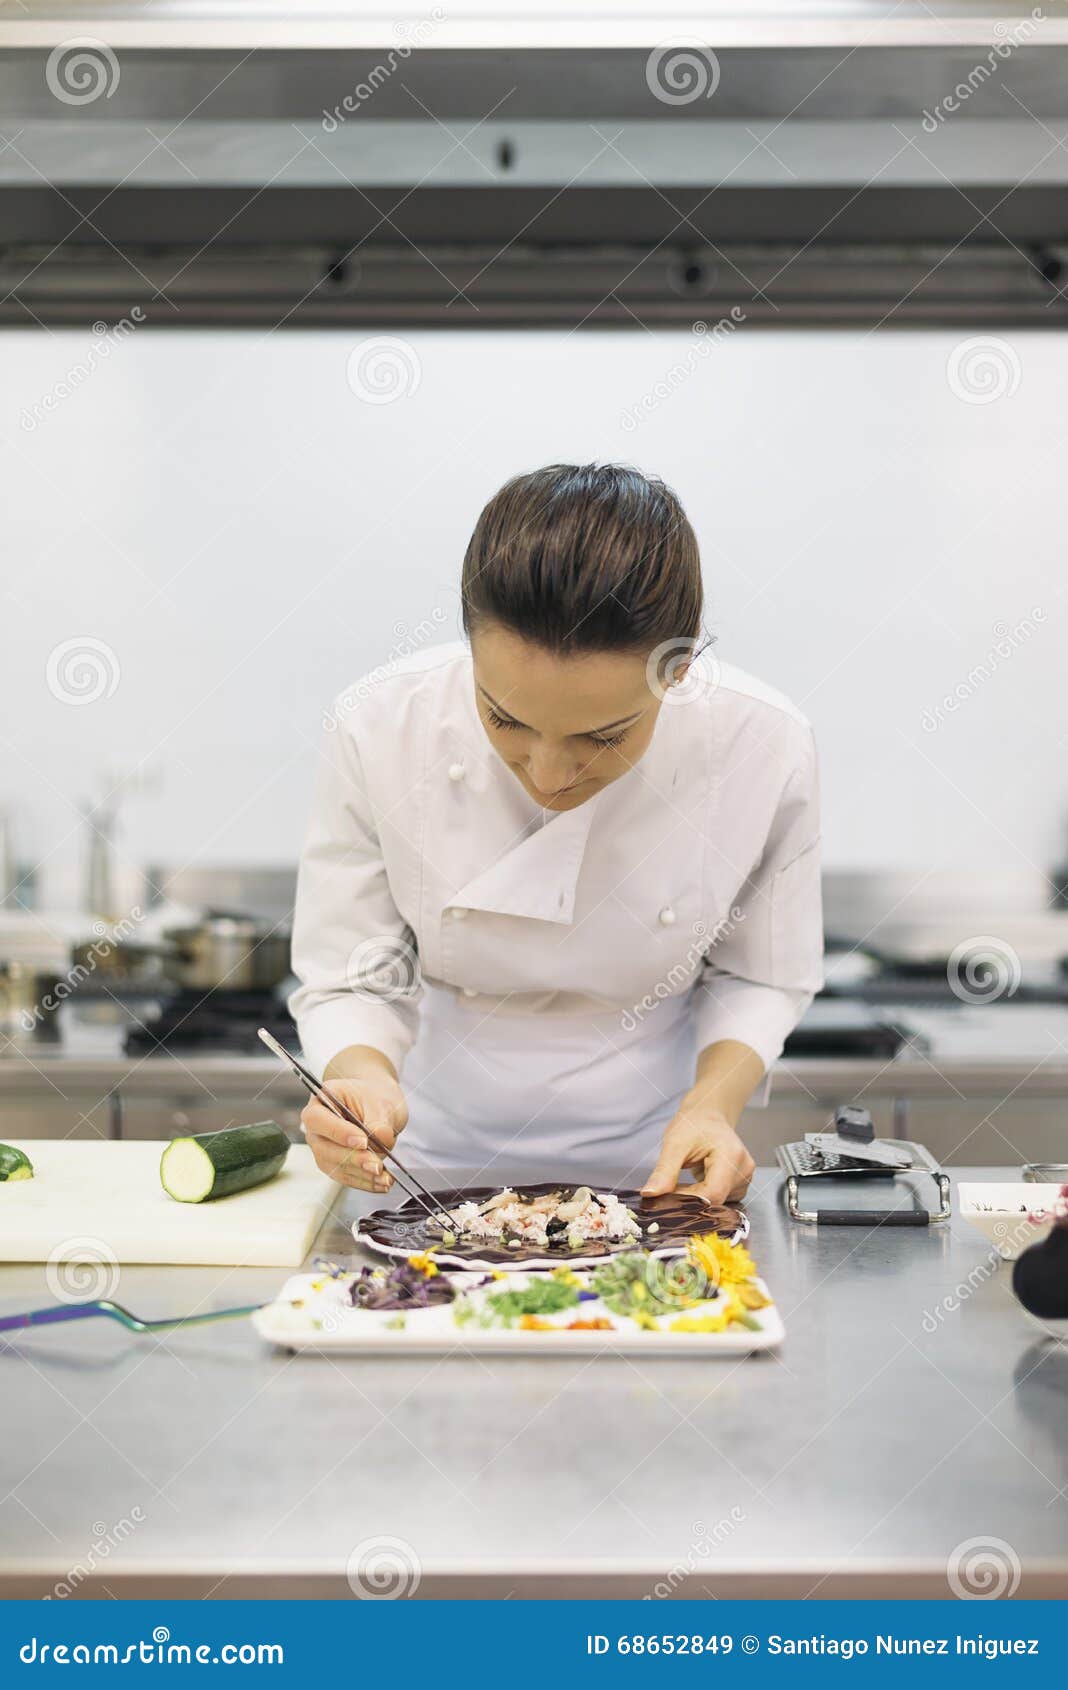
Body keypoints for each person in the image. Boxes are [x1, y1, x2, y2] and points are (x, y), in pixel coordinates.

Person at [290, 463, 822, 1204]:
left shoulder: (761, 743)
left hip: (659, 1169)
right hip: (421, 1165)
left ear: (680, 667)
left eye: (602, 735)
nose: (546, 774)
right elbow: (352, 970)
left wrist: (712, 1107)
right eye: (505, 719)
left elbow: (762, 973)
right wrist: (360, 1079)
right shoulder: (379, 726)